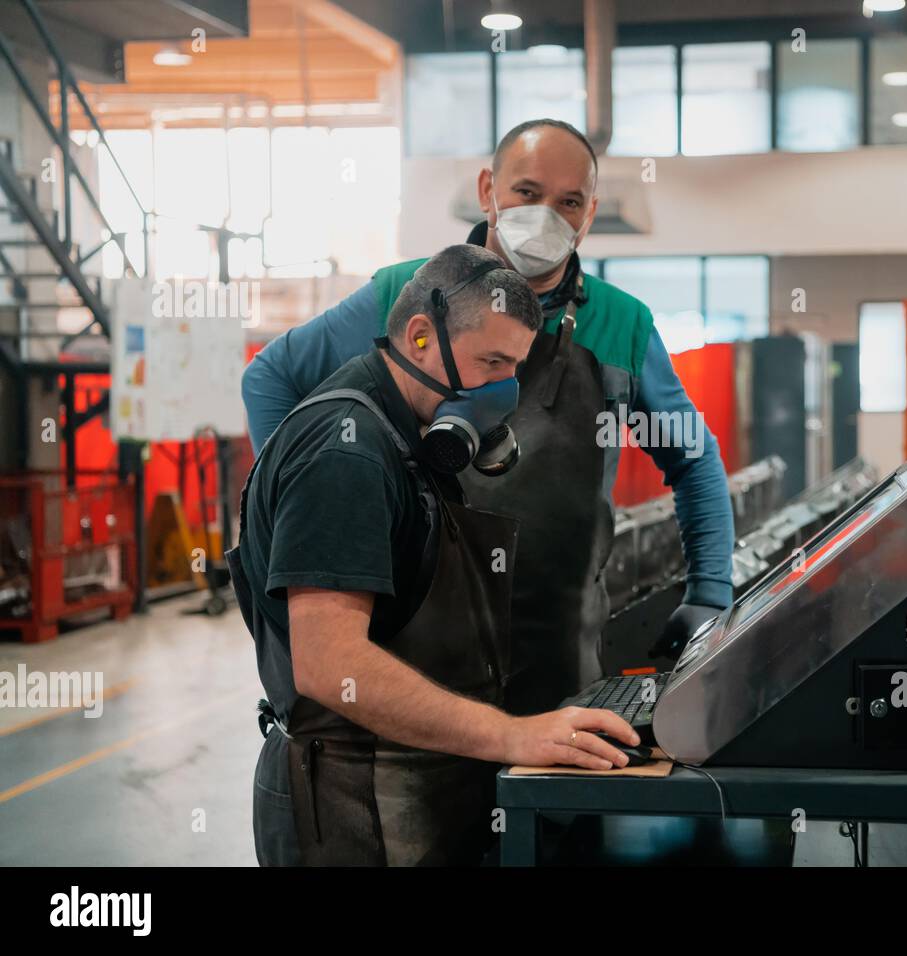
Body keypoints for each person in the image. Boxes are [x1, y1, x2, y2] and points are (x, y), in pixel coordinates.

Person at [242, 118, 735, 715]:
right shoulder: (402, 295)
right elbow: (269, 377)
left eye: (569, 201)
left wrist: (710, 589)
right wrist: (303, 515)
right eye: (527, 192)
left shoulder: (622, 325)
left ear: (590, 213)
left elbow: (694, 458)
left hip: (558, 656)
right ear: (488, 191)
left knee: (549, 798)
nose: (546, 214)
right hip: (409, 659)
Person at [229, 245, 641, 866]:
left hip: (405, 788)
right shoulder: (348, 453)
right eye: (492, 362)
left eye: (516, 369)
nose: (506, 389)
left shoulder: (404, 435)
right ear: (420, 336)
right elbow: (329, 663)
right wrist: (511, 734)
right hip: (352, 809)